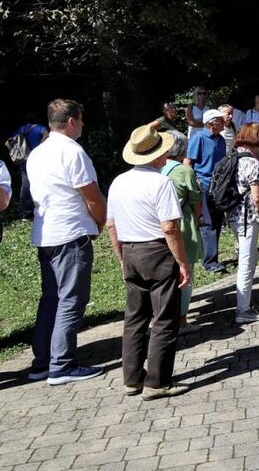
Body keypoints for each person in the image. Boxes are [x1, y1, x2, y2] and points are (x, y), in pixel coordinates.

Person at [107, 124, 191, 400]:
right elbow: (169, 227)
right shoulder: (160, 182)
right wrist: (182, 261)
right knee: (165, 318)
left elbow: (111, 225)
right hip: (156, 252)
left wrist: (121, 257)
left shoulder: (118, 182)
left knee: (134, 318)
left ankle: (132, 379)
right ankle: (157, 382)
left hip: (130, 250)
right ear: (157, 155)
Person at [26, 99, 106, 384]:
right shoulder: (72, 151)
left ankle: (42, 362)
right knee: (72, 299)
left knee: (51, 298)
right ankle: (63, 364)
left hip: (45, 233)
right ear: (71, 121)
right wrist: (99, 221)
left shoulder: (38, 152)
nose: (83, 124)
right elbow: (92, 195)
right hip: (71, 233)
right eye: (81, 119)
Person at [160, 131, 203, 334]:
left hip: (157, 226)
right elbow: (196, 201)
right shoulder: (185, 171)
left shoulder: (155, 167)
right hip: (182, 224)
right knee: (185, 271)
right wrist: (197, 217)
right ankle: (182, 320)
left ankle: (159, 315)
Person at [230, 123, 259, 324]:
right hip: (247, 217)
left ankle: (245, 302)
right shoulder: (251, 162)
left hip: (234, 216)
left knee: (250, 257)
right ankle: (242, 310)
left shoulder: (233, 156)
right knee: (246, 262)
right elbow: (256, 197)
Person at [184, 109, 227, 273]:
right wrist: (193, 185)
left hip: (219, 186)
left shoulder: (221, 139)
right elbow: (188, 162)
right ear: (211, 124)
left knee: (217, 222)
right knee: (208, 224)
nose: (224, 123)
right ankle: (209, 262)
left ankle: (212, 258)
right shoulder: (198, 138)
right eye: (220, 121)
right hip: (204, 185)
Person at [7, 115, 48, 219]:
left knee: (25, 185)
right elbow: (46, 136)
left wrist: (15, 153)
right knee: (42, 183)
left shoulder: (23, 128)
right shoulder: (41, 128)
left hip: (25, 161)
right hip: (39, 160)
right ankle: (41, 208)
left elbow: (7, 142)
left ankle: (25, 213)